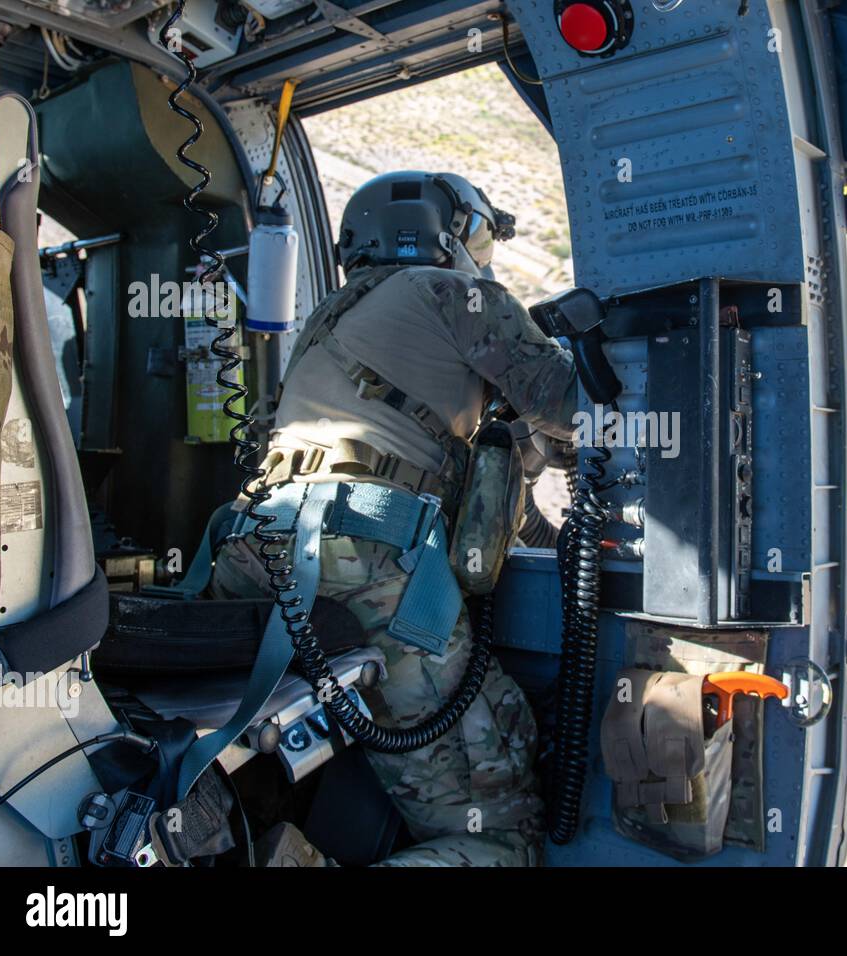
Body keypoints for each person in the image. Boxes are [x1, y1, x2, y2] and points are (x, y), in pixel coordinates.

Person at [209, 172, 576, 866]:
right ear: (448, 234)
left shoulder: (328, 319)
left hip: (252, 549)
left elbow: (493, 504)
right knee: (496, 838)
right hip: (361, 560)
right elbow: (571, 404)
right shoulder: (453, 293)